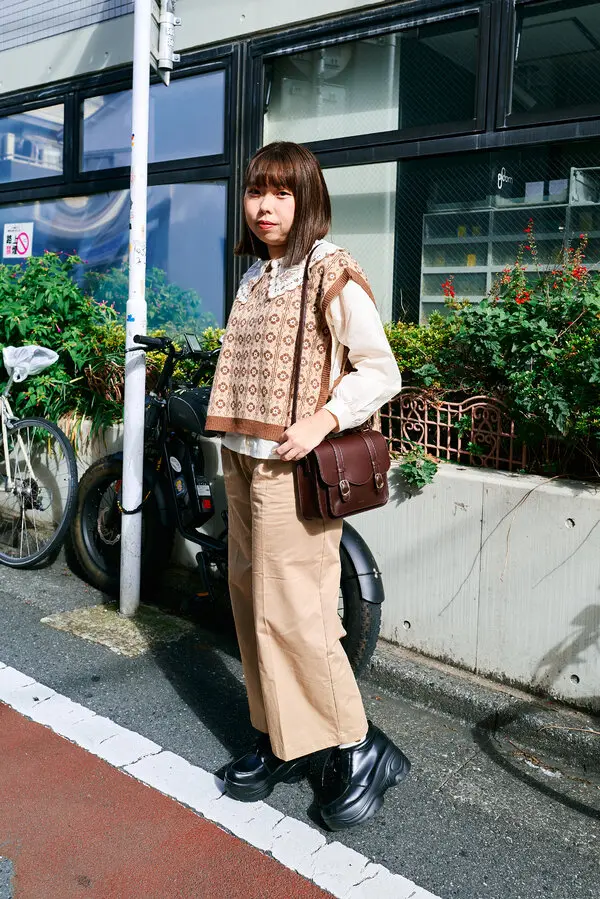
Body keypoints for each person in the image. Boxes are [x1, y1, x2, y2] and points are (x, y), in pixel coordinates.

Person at [205, 141, 410, 830]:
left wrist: (323, 419)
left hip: (293, 466)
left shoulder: (331, 270)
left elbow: (380, 371)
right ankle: (280, 740)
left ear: (307, 199)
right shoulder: (255, 278)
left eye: (281, 192)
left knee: (299, 613)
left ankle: (356, 745)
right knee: (250, 606)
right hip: (241, 455)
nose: (265, 205)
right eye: (256, 190)